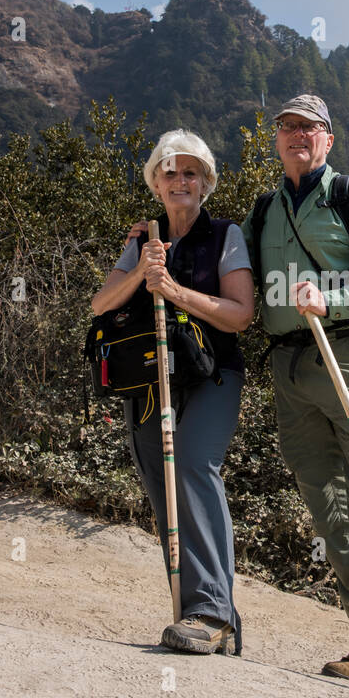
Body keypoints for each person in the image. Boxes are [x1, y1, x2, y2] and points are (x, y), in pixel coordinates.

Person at [240, 94, 349, 691]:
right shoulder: (264, 211)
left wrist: (331, 297)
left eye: (308, 127)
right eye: (287, 126)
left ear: (327, 139)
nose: (296, 135)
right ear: (277, 138)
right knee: (328, 509)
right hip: (289, 370)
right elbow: (229, 270)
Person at [90, 129, 254, 655]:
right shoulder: (143, 238)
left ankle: (210, 610)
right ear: (156, 183)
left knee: (190, 463)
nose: (179, 180)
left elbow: (240, 314)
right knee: (161, 484)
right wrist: (142, 268)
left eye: (190, 172)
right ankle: (200, 613)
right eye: (169, 171)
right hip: (150, 378)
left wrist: (175, 291)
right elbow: (101, 304)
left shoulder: (226, 235)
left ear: (204, 183)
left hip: (212, 374)